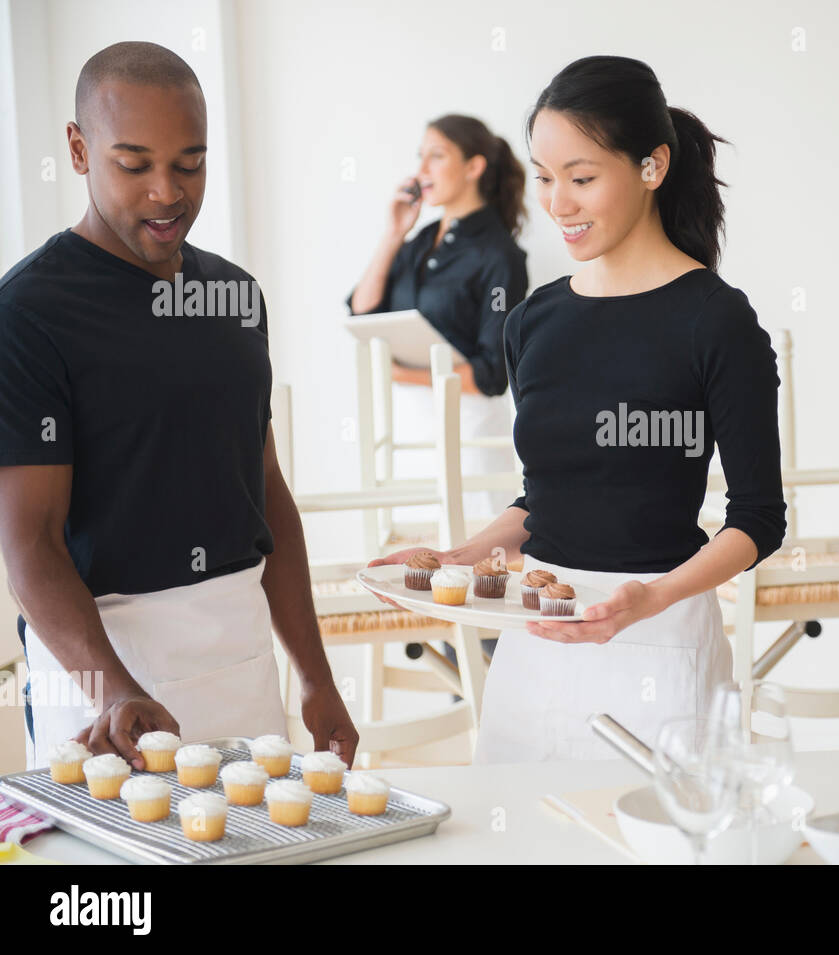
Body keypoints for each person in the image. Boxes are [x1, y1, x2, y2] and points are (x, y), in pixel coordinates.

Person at [373, 55, 787, 761]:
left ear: (652, 167)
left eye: (582, 178)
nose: (557, 203)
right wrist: (462, 555)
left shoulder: (715, 320)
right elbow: (546, 500)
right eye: (543, 177)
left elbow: (758, 521)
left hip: (658, 643)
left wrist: (650, 598)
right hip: (535, 644)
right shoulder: (534, 320)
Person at [0, 42, 357, 770]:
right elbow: (28, 540)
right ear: (78, 148)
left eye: (189, 163)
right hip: (101, 669)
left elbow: (265, 493)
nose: (167, 192)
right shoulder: (29, 312)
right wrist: (112, 693)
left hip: (239, 657)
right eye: (134, 165)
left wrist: (316, 677)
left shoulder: (235, 297)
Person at [347, 115, 529, 520]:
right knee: (416, 561)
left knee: (479, 565)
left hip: (471, 436)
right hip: (412, 435)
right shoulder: (418, 242)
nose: (421, 170)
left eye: (436, 156)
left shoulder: (501, 257)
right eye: (420, 157)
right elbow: (363, 309)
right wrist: (394, 234)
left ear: (473, 167)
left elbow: (491, 376)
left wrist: (398, 372)